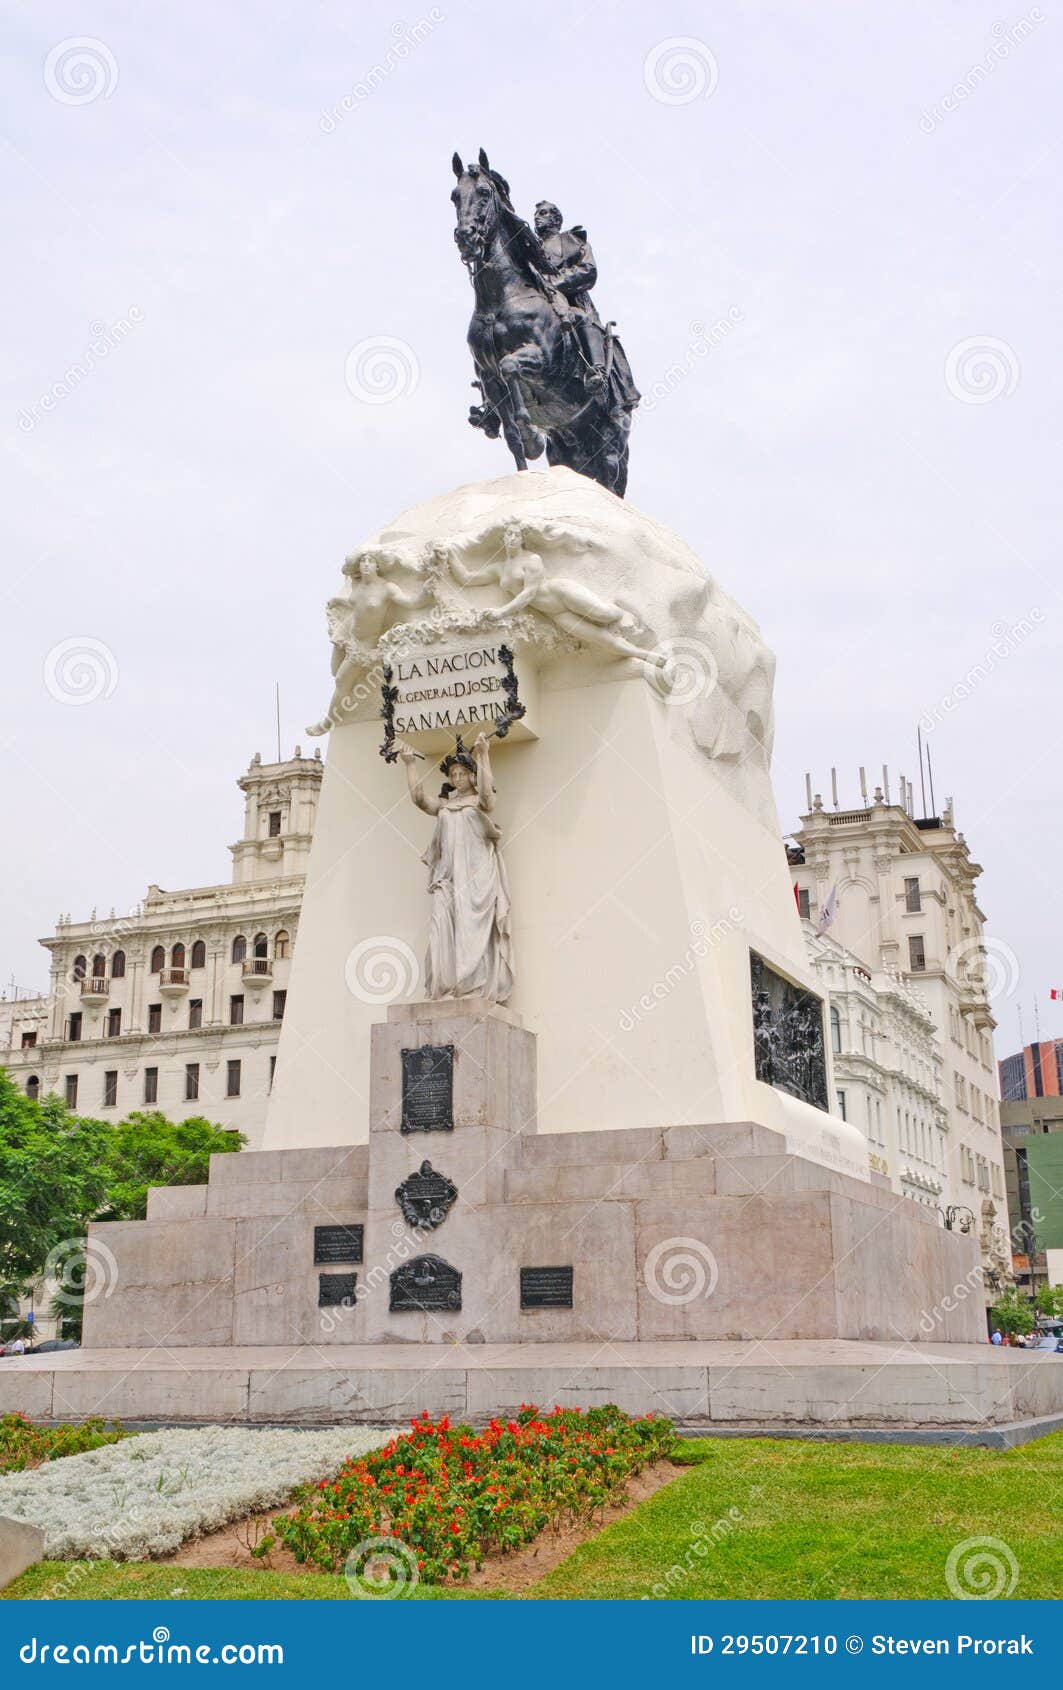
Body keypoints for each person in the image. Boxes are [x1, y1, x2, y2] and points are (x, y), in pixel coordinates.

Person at [399, 733, 514, 1003]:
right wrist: (410, 765)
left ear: (473, 775)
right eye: (454, 774)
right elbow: (419, 799)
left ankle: (474, 988)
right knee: (440, 927)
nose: (458, 778)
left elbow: (487, 794)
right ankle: (443, 989)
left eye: (463, 773)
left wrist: (483, 754)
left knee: (472, 928)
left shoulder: (480, 802)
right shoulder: (445, 805)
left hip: (477, 876)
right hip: (447, 878)